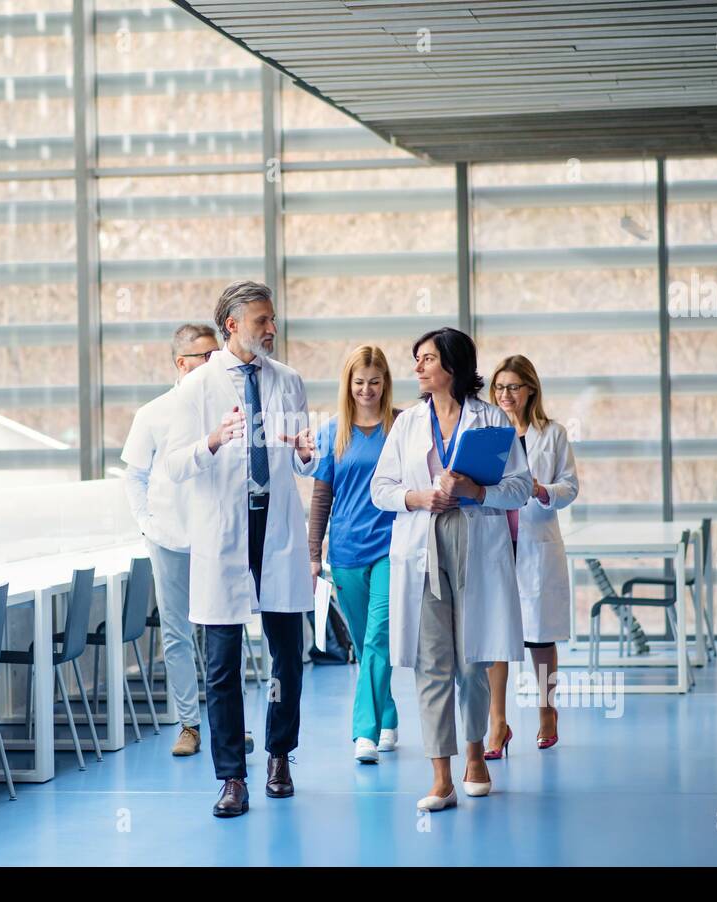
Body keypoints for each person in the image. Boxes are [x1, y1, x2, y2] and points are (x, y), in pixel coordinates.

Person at [165, 280, 318, 818]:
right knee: (222, 665)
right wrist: (212, 440)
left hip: (274, 533)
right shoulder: (197, 388)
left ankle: (279, 755)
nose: (271, 329)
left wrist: (304, 452)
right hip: (223, 535)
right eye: (261, 322)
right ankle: (231, 776)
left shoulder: (289, 382)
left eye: (272, 320)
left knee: (288, 661)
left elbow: (302, 462)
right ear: (232, 325)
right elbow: (173, 465)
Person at [370, 327, 531, 811]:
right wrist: (417, 497)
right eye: (416, 359)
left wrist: (477, 492)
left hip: (475, 538)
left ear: (453, 367)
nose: (417, 367)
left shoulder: (490, 422)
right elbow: (382, 489)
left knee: (473, 660)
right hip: (423, 540)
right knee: (432, 663)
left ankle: (475, 754)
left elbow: (520, 488)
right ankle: (441, 776)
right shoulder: (406, 424)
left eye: (427, 359)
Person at [121, 323, 219, 757]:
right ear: (183, 363)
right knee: (178, 635)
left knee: (222, 632)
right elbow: (135, 475)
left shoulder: (224, 409)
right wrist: (146, 523)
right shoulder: (153, 413)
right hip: (168, 539)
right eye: (206, 357)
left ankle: (226, 721)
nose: (217, 363)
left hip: (215, 537)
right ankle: (189, 725)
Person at [307, 346, 401, 764]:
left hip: (392, 548)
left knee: (379, 636)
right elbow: (321, 496)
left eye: (374, 382)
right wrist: (314, 553)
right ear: (348, 384)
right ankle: (388, 714)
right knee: (366, 646)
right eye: (359, 382)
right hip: (345, 552)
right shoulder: (332, 431)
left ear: (385, 383)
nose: (367, 390)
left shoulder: (401, 426)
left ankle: (364, 732)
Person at [485, 355, 578, 755]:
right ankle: (497, 724)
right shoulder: (486, 433)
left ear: (530, 390)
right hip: (496, 543)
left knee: (539, 638)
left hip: (536, 541)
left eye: (514, 387)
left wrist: (545, 492)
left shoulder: (552, 433)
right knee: (496, 637)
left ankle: (546, 712)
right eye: (500, 387)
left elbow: (570, 486)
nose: (506, 395)